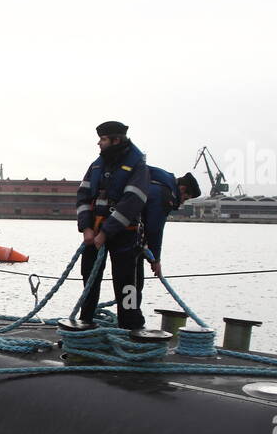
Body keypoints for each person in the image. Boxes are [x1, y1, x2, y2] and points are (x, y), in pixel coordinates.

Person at [75, 121, 152, 329]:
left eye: (103, 139)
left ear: (116, 140)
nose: (98, 143)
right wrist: (87, 228)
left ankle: (131, 325)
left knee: (127, 283)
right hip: (94, 232)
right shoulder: (97, 165)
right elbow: (82, 197)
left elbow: (132, 202)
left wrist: (106, 232)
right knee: (89, 278)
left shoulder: (138, 166)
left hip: (124, 235)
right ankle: (85, 323)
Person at [143, 170, 200, 277]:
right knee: (134, 282)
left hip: (119, 227)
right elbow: (155, 229)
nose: (183, 202)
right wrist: (156, 260)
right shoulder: (165, 196)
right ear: (182, 189)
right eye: (185, 198)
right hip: (128, 238)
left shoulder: (161, 180)